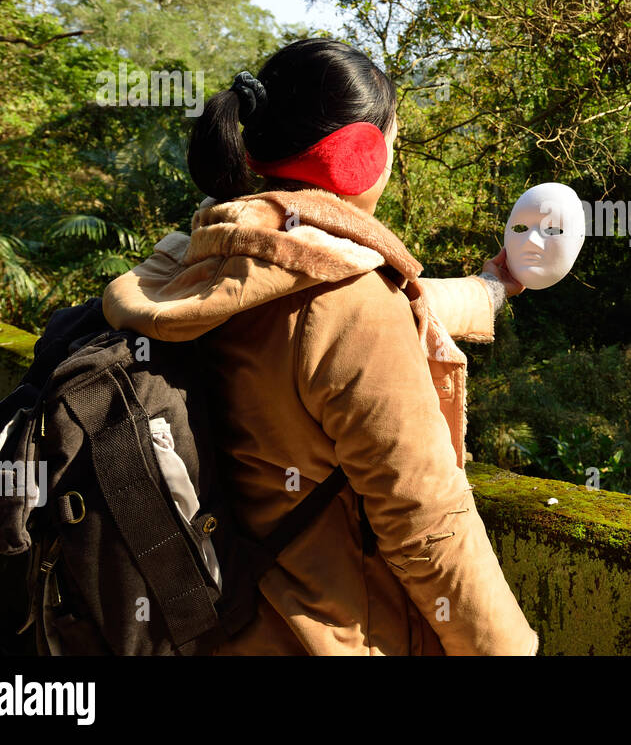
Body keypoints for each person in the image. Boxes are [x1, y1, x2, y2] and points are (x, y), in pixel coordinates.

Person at [101, 38, 540, 655]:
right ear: (360, 154)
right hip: (320, 636)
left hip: (206, 620)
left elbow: (380, 306)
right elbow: (429, 527)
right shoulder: (351, 303)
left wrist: (493, 286)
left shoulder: (194, 259)